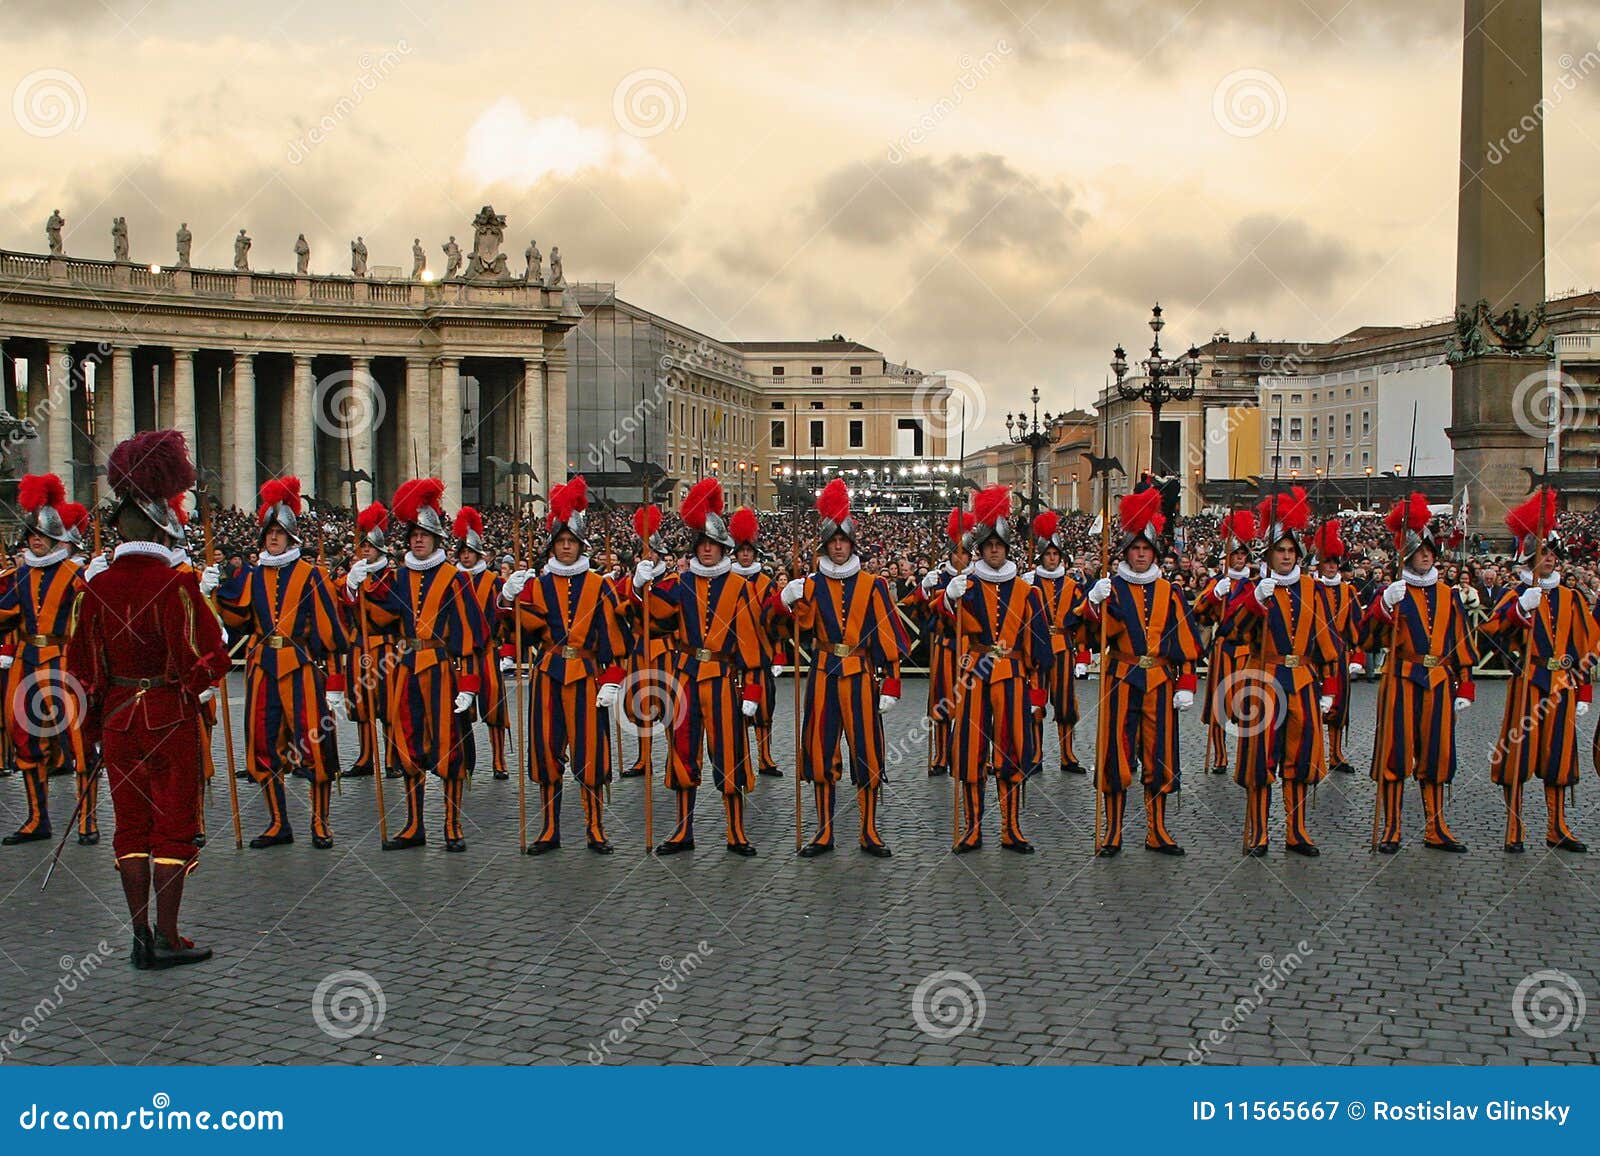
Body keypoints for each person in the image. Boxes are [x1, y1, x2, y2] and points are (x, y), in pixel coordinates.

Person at [67, 430, 231, 968]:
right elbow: (211, 659)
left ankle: (138, 937)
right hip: (167, 717)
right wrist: (192, 684)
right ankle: (166, 935)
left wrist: (92, 734)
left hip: (116, 721)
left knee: (131, 826)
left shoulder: (95, 590)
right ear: (164, 531)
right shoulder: (177, 586)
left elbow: (82, 672)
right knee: (173, 824)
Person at [203, 478, 349, 849]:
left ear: (291, 536)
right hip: (262, 666)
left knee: (314, 744)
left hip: (300, 666)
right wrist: (215, 589)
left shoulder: (311, 575)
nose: (273, 538)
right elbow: (238, 620)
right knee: (264, 745)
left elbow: (329, 631)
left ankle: (320, 822)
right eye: (268, 532)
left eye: (280, 532)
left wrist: (334, 683)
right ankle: (278, 822)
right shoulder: (253, 576)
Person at [348, 478, 488, 852]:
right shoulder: (398, 577)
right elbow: (379, 618)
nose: (418, 541)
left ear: (438, 539)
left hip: (441, 668)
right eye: (413, 534)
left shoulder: (455, 579)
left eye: (425, 535)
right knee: (408, 743)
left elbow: (472, 634)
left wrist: (470, 684)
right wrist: (358, 588)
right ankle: (413, 825)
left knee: (448, 746)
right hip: (405, 666)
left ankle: (453, 825)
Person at [632, 477, 767, 856]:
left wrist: (753, 691)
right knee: (682, 753)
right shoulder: (680, 582)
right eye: (702, 544)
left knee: (730, 754)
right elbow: (653, 619)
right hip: (686, 677)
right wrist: (641, 587)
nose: (707, 550)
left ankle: (735, 830)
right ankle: (682, 829)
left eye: (713, 545)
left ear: (724, 548)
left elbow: (751, 646)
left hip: (724, 680)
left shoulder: (740, 588)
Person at [501, 477, 630, 854]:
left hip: (588, 677)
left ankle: (595, 827)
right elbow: (515, 630)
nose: (567, 547)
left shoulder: (600, 586)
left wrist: (612, 679)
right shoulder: (537, 586)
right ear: (553, 546)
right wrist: (509, 600)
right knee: (546, 750)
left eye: (572, 542)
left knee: (591, 753)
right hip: (549, 675)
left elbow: (617, 641)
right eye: (561, 542)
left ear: (581, 545)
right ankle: (549, 828)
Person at [778, 481, 907, 857]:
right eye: (832, 541)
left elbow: (887, 633)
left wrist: (892, 683)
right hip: (822, 674)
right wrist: (789, 602)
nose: (838, 546)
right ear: (825, 546)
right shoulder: (811, 584)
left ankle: (869, 831)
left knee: (867, 751)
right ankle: (823, 831)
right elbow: (800, 630)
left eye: (843, 541)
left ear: (852, 545)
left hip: (862, 675)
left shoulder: (874, 584)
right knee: (820, 751)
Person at [1085, 486, 1204, 857]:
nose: (1140, 554)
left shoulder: (1170, 591)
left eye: (1146, 549)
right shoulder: (1111, 588)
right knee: (1116, 755)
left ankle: (1157, 831)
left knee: (1160, 754)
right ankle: (1114, 831)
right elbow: (1090, 634)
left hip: (1159, 683)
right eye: (1135, 549)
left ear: (1154, 553)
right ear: (1126, 553)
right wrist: (1092, 603)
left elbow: (1186, 642)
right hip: (1121, 678)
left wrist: (1186, 682)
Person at [1358, 494, 1477, 854]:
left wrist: (1465, 684)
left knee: (1437, 754)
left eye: (1429, 550)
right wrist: (1382, 607)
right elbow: (1366, 639)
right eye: (1419, 551)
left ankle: (1435, 826)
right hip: (1401, 679)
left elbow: (1459, 641)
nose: (1425, 555)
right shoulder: (1392, 591)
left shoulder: (1448, 594)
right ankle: (1392, 827)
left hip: (1439, 682)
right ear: (1406, 555)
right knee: (1395, 752)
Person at [1227, 488, 1341, 857]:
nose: (1287, 556)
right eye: (1281, 551)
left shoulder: (1313, 590)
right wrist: (1255, 601)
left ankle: (1297, 831)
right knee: (1261, 760)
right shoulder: (1255, 589)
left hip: (1304, 683)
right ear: (1270, 555)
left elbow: (1328, 641)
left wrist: (1330, 687)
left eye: (1292, 551)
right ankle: (1258, 832)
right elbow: (1233, 630)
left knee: (1302, 758)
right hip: (1265, 680)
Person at [1482, 489, 1594, 853]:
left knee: (1558, 757)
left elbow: (1587, 647)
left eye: (1551, 554)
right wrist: (1518, 611)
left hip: (1562, 686)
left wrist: (1585, 692)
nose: (1548, 559)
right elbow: (1491, 632)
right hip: (1528, 682)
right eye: (1542, 554)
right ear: (1530, 558)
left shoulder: (1572, 598)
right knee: (1519, 756)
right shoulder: (1516, 594)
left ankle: (1556, 826)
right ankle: (1515, 828)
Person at [941, 485, 1052, 853]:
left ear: (1007, 549)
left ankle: (1011, 827)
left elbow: (1039, 648)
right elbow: (939, 629)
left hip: (1013, 678)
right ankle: (973, 827)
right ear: (980, 548)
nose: (993, 549)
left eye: (998, 545)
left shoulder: (1027, 592)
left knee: (1011, 751)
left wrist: (1038, 693)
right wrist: (947, 600)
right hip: (974, 676)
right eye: (987, 544)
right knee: (971, 751)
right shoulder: (965, 585)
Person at [0, 474, 91, 845]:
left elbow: (89, 618)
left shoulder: (75, 574)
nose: (35, 541)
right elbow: (6, 615)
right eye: (31, 536)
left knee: (79, 738)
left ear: (57, 539)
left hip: (64, 659)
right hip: (27, 661)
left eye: (42, 536)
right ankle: (38, 819)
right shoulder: (20, 576)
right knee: (26, 737)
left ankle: (87, 821)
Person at [900, 508, 972, 777]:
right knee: (942, 701)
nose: (961, 557)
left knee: (973, 701)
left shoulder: (978, 579)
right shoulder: (938, 578)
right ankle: (941, 754)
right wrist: (923, 589)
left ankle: (970, 750)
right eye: (956, 552)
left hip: (969, 646)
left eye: (965, 553)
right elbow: (913, 608)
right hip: (943, 646)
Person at [1026, 511, 1090, 775]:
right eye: (1048, 555)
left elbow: (1081, 622)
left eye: (1056, 555)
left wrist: (1084, 658)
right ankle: (1035, 755)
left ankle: (1067, 755)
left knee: (1065, 704)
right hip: (1039, 649)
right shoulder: (1029, 584)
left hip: (1063, 648)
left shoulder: (1073, 586)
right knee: (1036, 700)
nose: (1052, 559)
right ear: (1041, 557)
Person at [1194, 511, 1256, 776]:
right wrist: (1214, 596)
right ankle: (1220, 755)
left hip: (1247, 650)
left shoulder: (1255, 585)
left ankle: (1245, 753)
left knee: (1248, 704)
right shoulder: (1216, 583)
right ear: (1227, 558)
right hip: (1223, 649)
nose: (1240, 558)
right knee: (1220, 703)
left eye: (1243, 554)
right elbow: (1200, 614)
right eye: (1235, 555)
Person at [342, 503, 400, 780]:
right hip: (359, 645)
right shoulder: (352, 577)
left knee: (388, 704)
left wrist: (361, 591)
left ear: (380, 549)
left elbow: (392, 611)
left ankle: (392, 757)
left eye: (370, 546)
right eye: (362, 545)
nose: (365, 550)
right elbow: (338, 606)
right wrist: (351, 587)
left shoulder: (391, 576)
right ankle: (365, 756)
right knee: (361, 703)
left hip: (385, 646)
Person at [453, 506, 512, 780]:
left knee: (494, 709)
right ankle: (464, 759)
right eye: (462, 552)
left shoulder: (493, 581)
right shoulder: (451, 581)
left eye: (470, 552)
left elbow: (504, 616)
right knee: (461, 709)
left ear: (478, 553)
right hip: (463, 655)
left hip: (488, 652)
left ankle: (499, 760)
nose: (466, 556)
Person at [619, 505, 675, 780]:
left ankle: (674, 756)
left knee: (668, 708)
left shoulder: (673, 581)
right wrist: (633, 588)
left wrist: (644, 591)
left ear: (661, 555)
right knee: (641, 708)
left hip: (664, 649)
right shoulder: (632, 579)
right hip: (640, 648)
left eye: (652, 551)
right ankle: (643, 758)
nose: (648, 556)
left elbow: (666, 613)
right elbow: (621, 610)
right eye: (644, 551)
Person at [731, 508, 784, 778]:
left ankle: (765, 757)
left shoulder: (767, 583)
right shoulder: (725, 582)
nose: (746, 554)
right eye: (741, 551)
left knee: (764, 711)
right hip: (731, 657)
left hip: (760, 656)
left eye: (749, 551)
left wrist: (777, 655)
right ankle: (742, 760)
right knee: (735, 715)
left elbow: (776, 625)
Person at [1309, 520, 1363, 775]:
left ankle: (1335, 753)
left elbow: (1355, 626)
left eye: (1334, 563)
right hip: (1314, 655)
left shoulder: (1348, 591)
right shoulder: (1309, 589)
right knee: (1315, 704)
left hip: (1340, 654)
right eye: (1327, 562)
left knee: (1339, 707)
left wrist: (1358, 656)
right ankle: (1316, 750)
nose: (1331, 567)